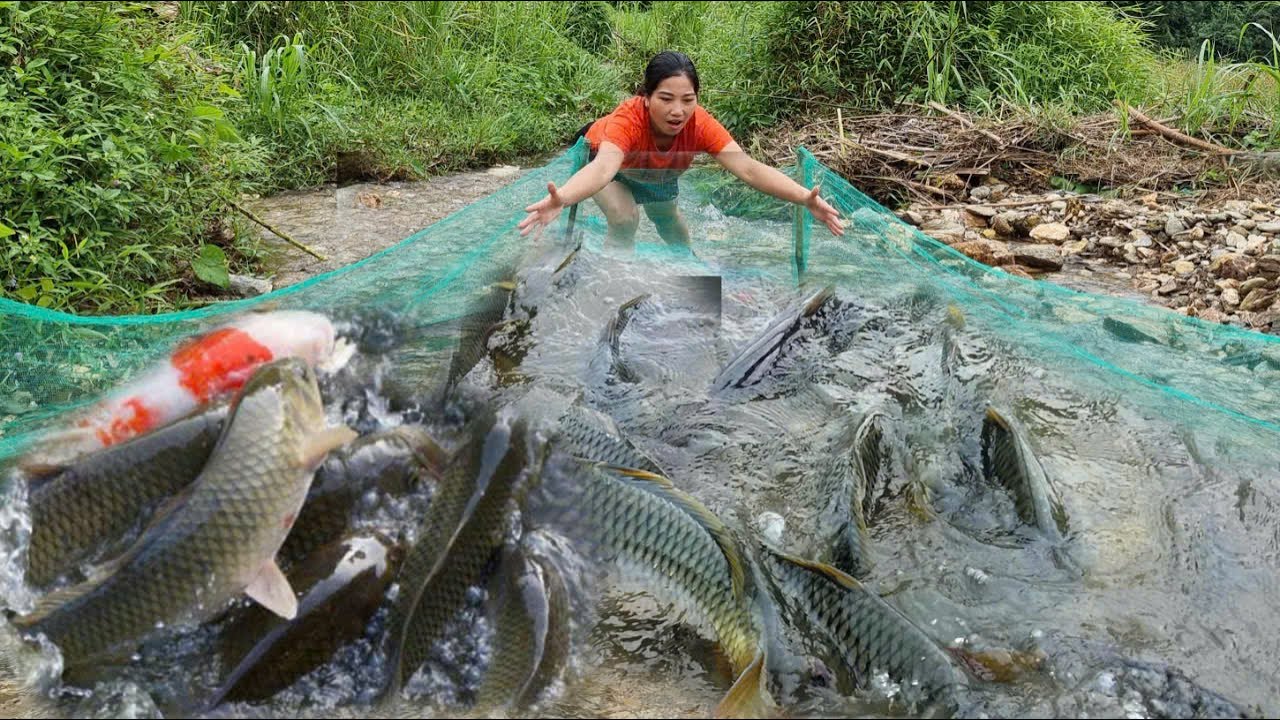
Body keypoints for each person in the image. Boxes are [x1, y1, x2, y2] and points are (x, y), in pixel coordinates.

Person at [517, 51, 845, 247]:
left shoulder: (699, 123)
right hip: (609, 165)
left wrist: (804, 197)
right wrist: (564, 197)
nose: (678, 111)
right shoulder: (628, 119)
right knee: (625, 218)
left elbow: (748, 168)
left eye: (688, 100)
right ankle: (616, 285)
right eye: (666, 98)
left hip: (656, 172)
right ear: (646, 98)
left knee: (669, 222)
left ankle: (687, 271)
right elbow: (603, 168)